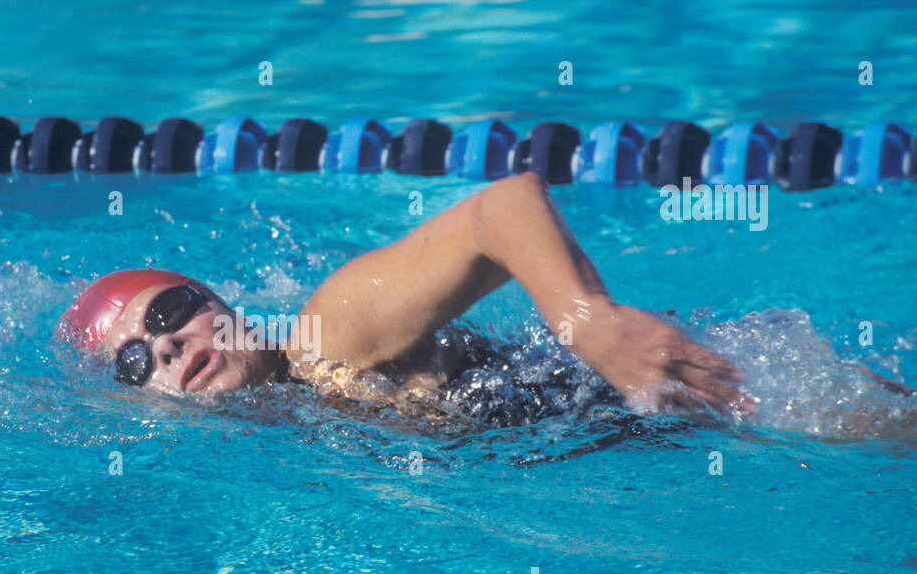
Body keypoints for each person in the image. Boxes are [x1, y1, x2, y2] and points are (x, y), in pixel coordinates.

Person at [59, 172, 760, 422]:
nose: (166, 344)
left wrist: (589, 321)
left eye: (167, 313)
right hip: (655, 425)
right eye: (133, 360)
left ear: (221, 306)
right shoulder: (288, 411)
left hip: (704, 385)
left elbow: (503, 209)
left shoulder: (324, 338)